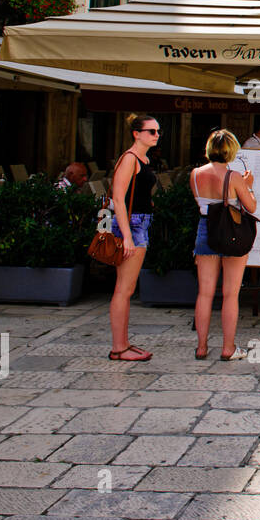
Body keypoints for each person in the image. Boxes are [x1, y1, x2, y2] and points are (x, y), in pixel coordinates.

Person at [189, 130, 257, 361]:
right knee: (230, 294)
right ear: (231, 150)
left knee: (204, 294)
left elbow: (202, 203)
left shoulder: (195, 174)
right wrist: (249, 186)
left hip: (205, 229)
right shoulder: (234, 176)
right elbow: (251, 206)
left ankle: (201, 347)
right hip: (230, 233)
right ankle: (228, 348)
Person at [106, 113, 161, 361]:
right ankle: (119, 347)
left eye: (158, 131)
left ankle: (124, 343)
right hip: (132, 225)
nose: (156, 135)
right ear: (136, 134)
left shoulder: (144, 159)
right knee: (124, 289)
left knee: (127, 288)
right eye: (151, 131)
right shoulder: (129, 159)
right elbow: (117, 198)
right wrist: (127, 236)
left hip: (140, 222)